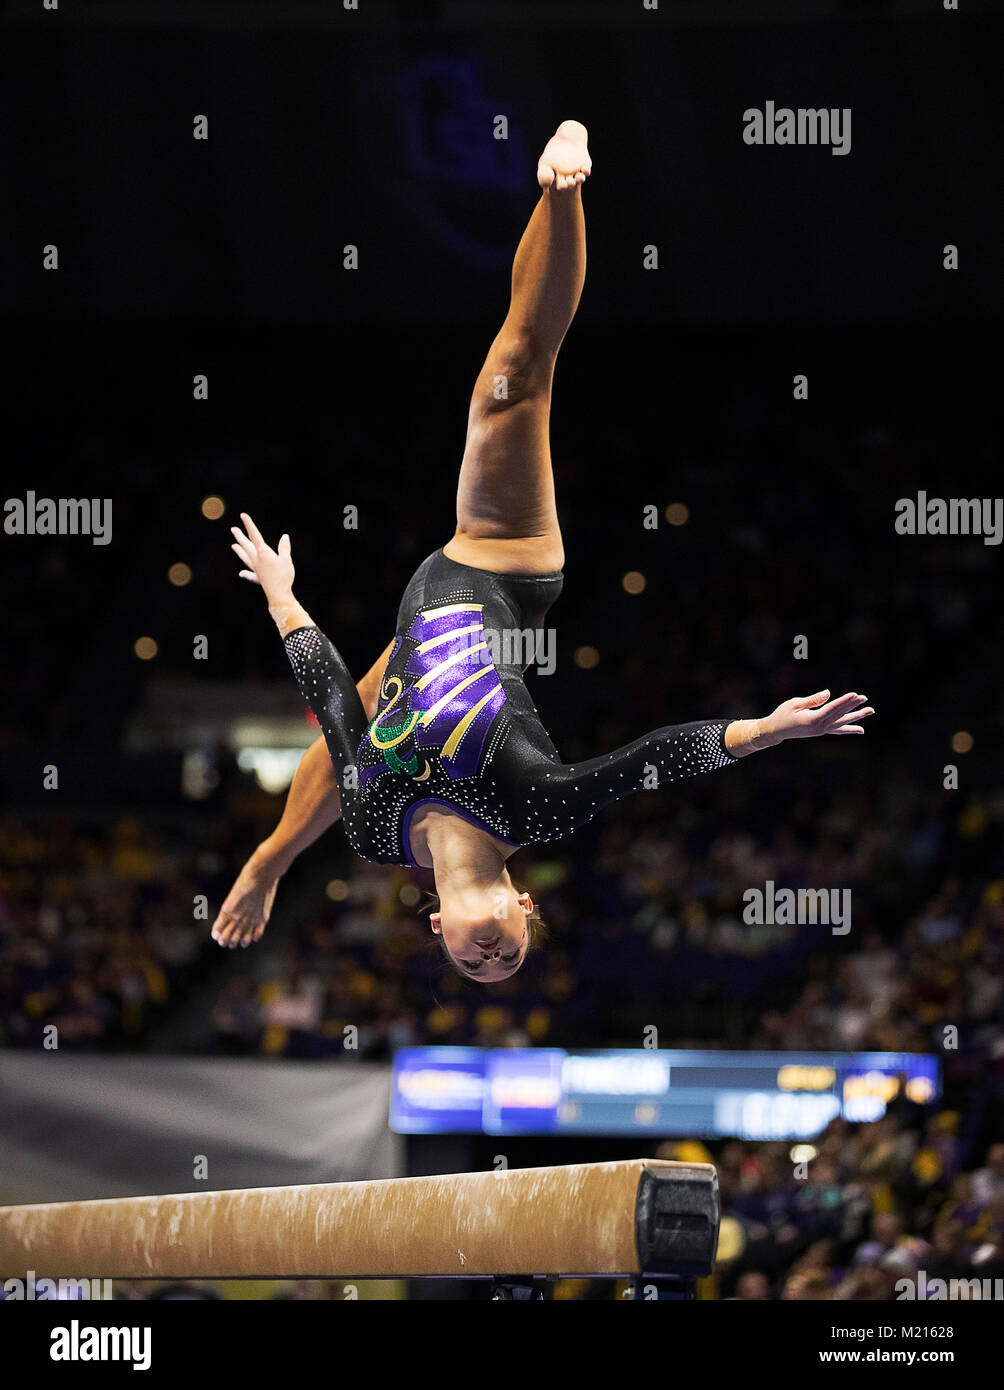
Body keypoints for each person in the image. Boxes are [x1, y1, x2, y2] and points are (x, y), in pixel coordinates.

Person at [212, 121, 873, 980]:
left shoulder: (376, 833)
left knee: (355, 728)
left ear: (436, 927)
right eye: (511, 957)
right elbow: (647, 761)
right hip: (502, 564)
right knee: (515, 378)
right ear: (526, 906)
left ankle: (270, 858)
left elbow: (334, 708)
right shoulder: (535, 810)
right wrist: (762, 733)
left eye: (474, 967)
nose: (492, 959)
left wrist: (281, 596)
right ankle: (566, 187)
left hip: (415, 627)